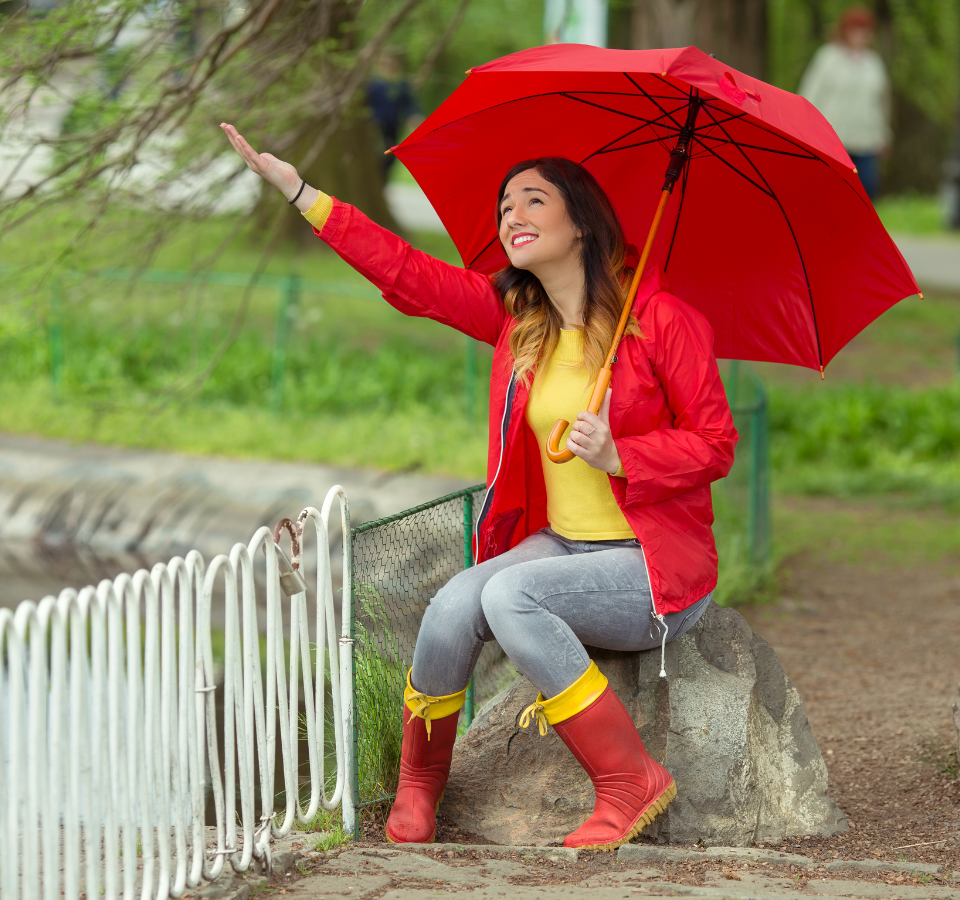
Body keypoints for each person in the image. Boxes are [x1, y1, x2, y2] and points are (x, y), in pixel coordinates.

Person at [220, 122, 736, 850]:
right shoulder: (521, 324)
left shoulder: (661, 322)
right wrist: (302, 194)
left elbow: (717, 445)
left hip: (650, 568)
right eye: (504, 209)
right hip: (565, 546)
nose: (511, 218)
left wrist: (626, 455)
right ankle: (420, 785)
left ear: (581, 224)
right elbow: (407, 275)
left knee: (507, 593)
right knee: (451, 603)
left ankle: (630, 781)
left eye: (533, 201)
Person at [798, 5, 891, 200]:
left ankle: (862, 231)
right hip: (834, 139)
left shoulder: (874, 63)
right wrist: (806, 131)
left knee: (867, 189)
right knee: (835, 193)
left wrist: (883, 136)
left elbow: (882, 103)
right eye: (856, 30)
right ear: (845, 31)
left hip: (866, 139)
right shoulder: (827, 58)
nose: (861, 36)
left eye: (865, 31)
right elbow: (809, 96)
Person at [366, 52, 421, 181]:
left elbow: (410, 104)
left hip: (393, 126)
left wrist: (413, 116)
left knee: (389, 154)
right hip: (375, 125)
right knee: (376, 153)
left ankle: (382, 180)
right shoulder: (373, 85)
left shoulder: (401, 85)